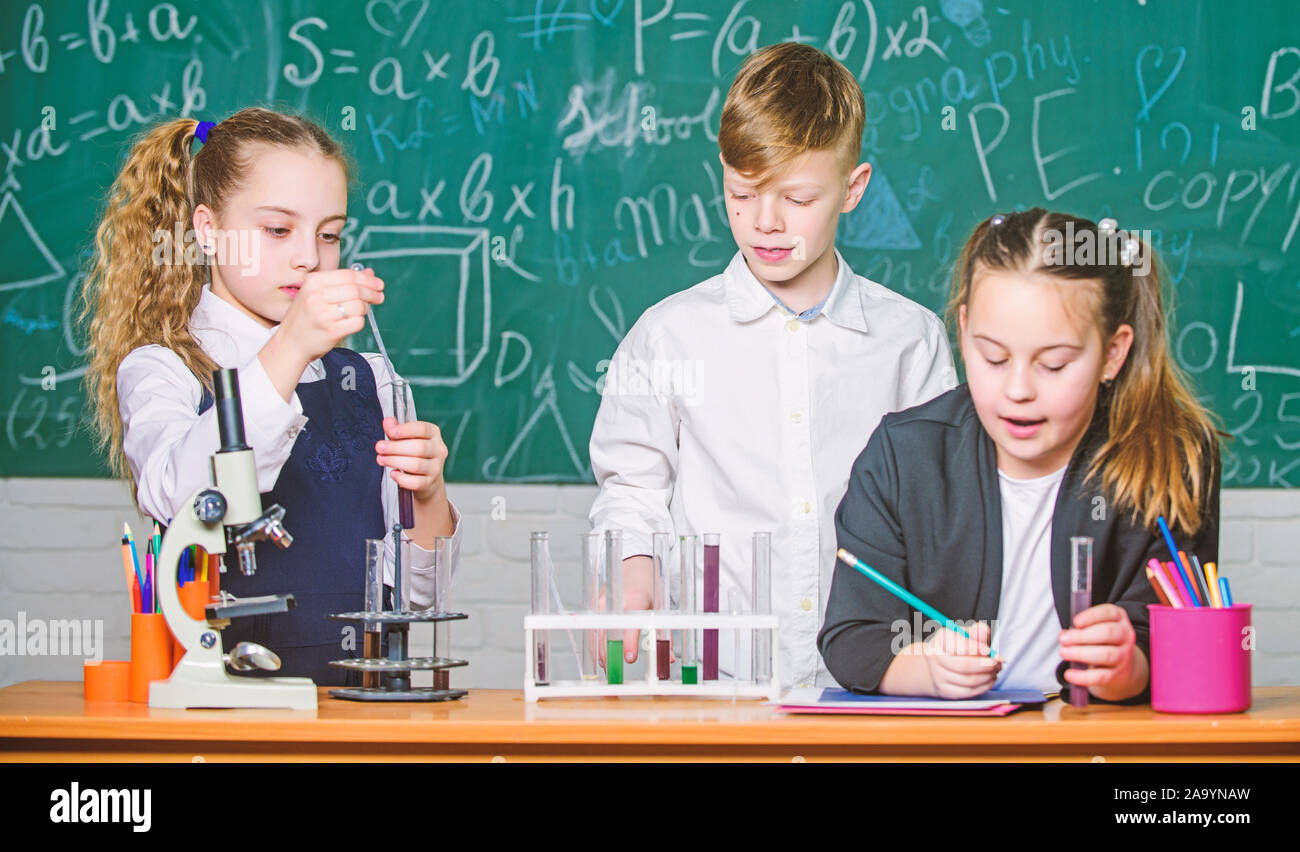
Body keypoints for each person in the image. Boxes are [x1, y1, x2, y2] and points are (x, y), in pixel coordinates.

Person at [588, 43, 954, 689]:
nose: (766, 223)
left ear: (853, 188)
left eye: (798, 198)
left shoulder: (910, 342)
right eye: (743, 192)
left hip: (872, 688)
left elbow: (940, 509)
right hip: (714, 685)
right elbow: (633, 487)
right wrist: (632, 569)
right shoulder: (667, 335)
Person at [81, 108, 462, 685]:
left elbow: (417, 597)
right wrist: (290, 347)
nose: (308, 256)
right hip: (230, 709)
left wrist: (428, 495)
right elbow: (183, 499)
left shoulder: (371, 378)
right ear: (208, 230)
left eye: (329, 234)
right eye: (278, 230)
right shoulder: (164, 370)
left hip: (368, 707)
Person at [819, 208, 1223, 703]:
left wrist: (1130, 666)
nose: (1017, 390)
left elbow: (1176, 640)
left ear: (1113, 354)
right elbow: (851, 637)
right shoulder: (903, 455)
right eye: (993, 357)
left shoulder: (1170, 457)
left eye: (1053, 364)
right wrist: (924, 669)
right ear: (964, 330)